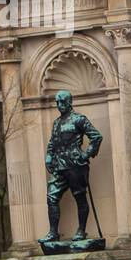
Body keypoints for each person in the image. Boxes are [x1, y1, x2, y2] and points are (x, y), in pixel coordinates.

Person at [39, 90, 103, 243]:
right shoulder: (56, 123)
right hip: (59, 165)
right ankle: (53, 232)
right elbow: (52, 143)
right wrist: (49, 157)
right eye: (57, 102)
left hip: (76, 164)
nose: (59, 105)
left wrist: (86, 154)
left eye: (62, 102)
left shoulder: (79, 119)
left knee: (79, 197)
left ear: (69, 102)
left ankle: (81, 230)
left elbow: (96, 136)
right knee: (52, 197)